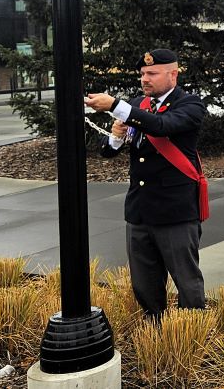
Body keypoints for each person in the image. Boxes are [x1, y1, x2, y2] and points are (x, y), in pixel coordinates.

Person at [84, 48, 208, 318]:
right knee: (144, 284)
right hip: (140, 211)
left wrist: (116, 105)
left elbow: (161, 126)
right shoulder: (139, 105)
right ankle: (155, 334)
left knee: (187, 283)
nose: (145, 78)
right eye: (142, 73)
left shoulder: (190, 105)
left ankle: (191, 338)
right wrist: (116, 136)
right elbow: (107, 151)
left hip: (175, 212)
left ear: (173, 75)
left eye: (152, 73)